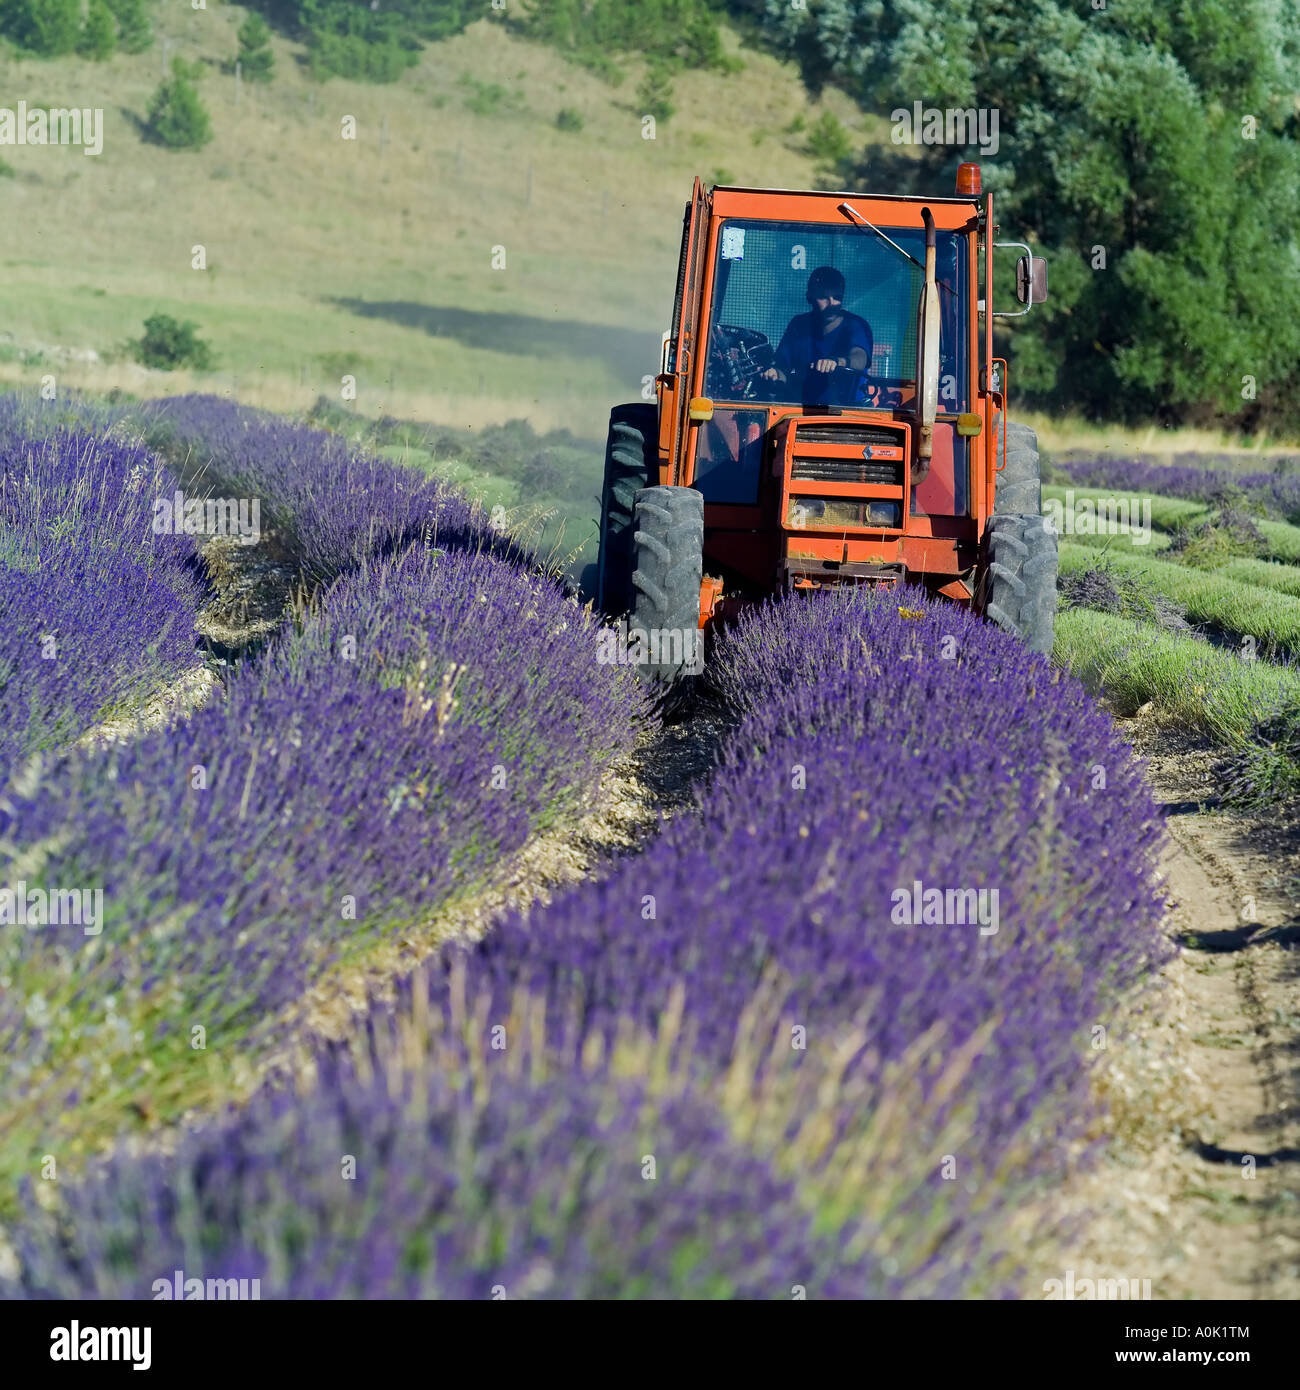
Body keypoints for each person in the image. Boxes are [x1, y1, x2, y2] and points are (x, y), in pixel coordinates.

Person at [762, 266, 872, 405]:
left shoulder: (855, 325)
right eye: (823, 298)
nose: (832, 304)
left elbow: (859, 359)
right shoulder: (798, 325)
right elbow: (783, 369)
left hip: (849, 413)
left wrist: (836, 362)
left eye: (837, 298)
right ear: (810, 297)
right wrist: (775, 374)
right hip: (802, 410)